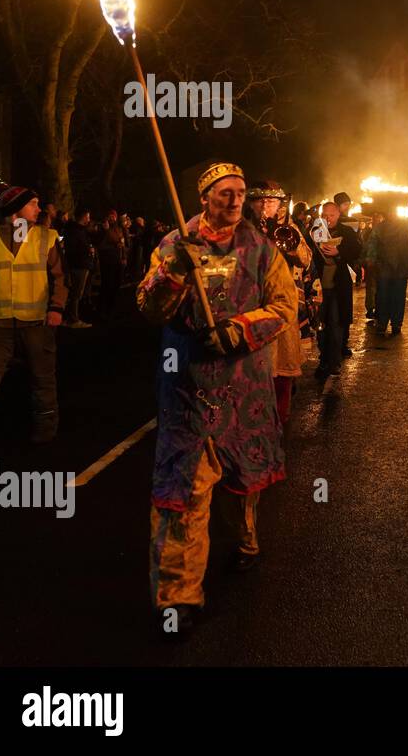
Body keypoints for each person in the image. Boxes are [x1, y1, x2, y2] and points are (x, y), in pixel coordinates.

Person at [138, 163, 296, 637]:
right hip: (187, 386)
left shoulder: (263, 250)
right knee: (182, 492)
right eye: (224, 193)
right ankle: (178, 595)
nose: (233, 200)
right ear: (204, 197)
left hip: (244, 385)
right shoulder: (173, 245)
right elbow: (148, 308)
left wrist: (239, 329)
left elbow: (285, 306)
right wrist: (173, 274)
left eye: (240, 193)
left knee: (244, 478)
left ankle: (246, 542)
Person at [0, 186, 67, 449]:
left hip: (35, 323)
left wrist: (56, 308)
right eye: (33, 204)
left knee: (43, 380)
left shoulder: (45, 238)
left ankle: (46, 432)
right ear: (15, 210)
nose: (39, 209)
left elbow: (60, 277)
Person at [247, 180, 312, 426]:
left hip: (281, 306)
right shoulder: (240, 228)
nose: (265, 205)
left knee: (281, 371)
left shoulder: (289, 226)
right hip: (250, 304)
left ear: (280, 204)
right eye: (259, 200)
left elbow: (306, 259)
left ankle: (278, 421)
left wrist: (290, 244)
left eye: (271, 201)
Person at [312, 201, 361, 377]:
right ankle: (323, 360)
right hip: (319, 287)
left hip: (337, 285)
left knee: (336, 324)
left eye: (331, 215)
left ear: (338, 215)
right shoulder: (315, 232)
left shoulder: (346, 232)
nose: (328, 218)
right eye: (324, 215)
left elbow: (356, 251)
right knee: (320, 325)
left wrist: (338, 253)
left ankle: (334, 362)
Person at [368, 213, 408, 334]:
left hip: (384, 269)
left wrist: (371, 262)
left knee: (383, 296)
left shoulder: (380, 228)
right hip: (398, 269)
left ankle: (382, 322)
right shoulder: (404, 227)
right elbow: (407, 250)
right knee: (397, 297)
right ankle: (396, 323)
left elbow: (372, 246)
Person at [62, 209, 96, 328]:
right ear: (83, 217)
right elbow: (73, 248)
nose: (89, 219)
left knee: (74, 293)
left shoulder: (78, 230)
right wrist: (87, 250)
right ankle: (73, 319)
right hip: (79, 265)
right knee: (76, 293)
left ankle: (69, 317)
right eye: (88, 217)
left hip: (80, 264)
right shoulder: (75, 231)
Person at [96, 209, 127, 319]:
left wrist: (123, 256)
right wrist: (115, 244)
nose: (113, 218)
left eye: (114, 216)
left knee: (116, 284)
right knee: (107, 285)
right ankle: (102, 310)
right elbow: (103, 243)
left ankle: (112, 308)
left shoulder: (118, 228)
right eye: (111, 216)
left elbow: (123, 243)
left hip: (117, 260)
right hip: (107, 260)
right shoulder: (104, 227)